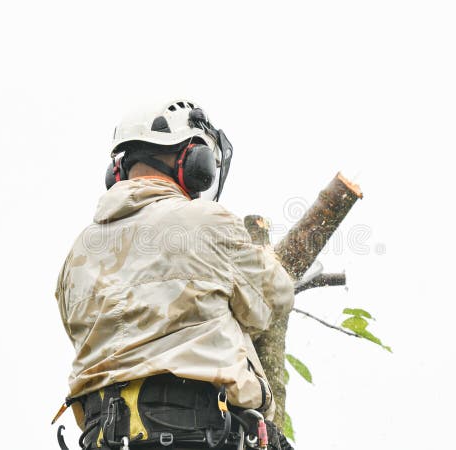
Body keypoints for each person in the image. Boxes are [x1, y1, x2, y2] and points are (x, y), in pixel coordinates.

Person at [53, 100, 295, 450]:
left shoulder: (77, 253)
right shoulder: (205, 221)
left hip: (102, 438)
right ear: (193, 162)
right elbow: (275, 299)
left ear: (117, 172)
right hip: (195, 434)